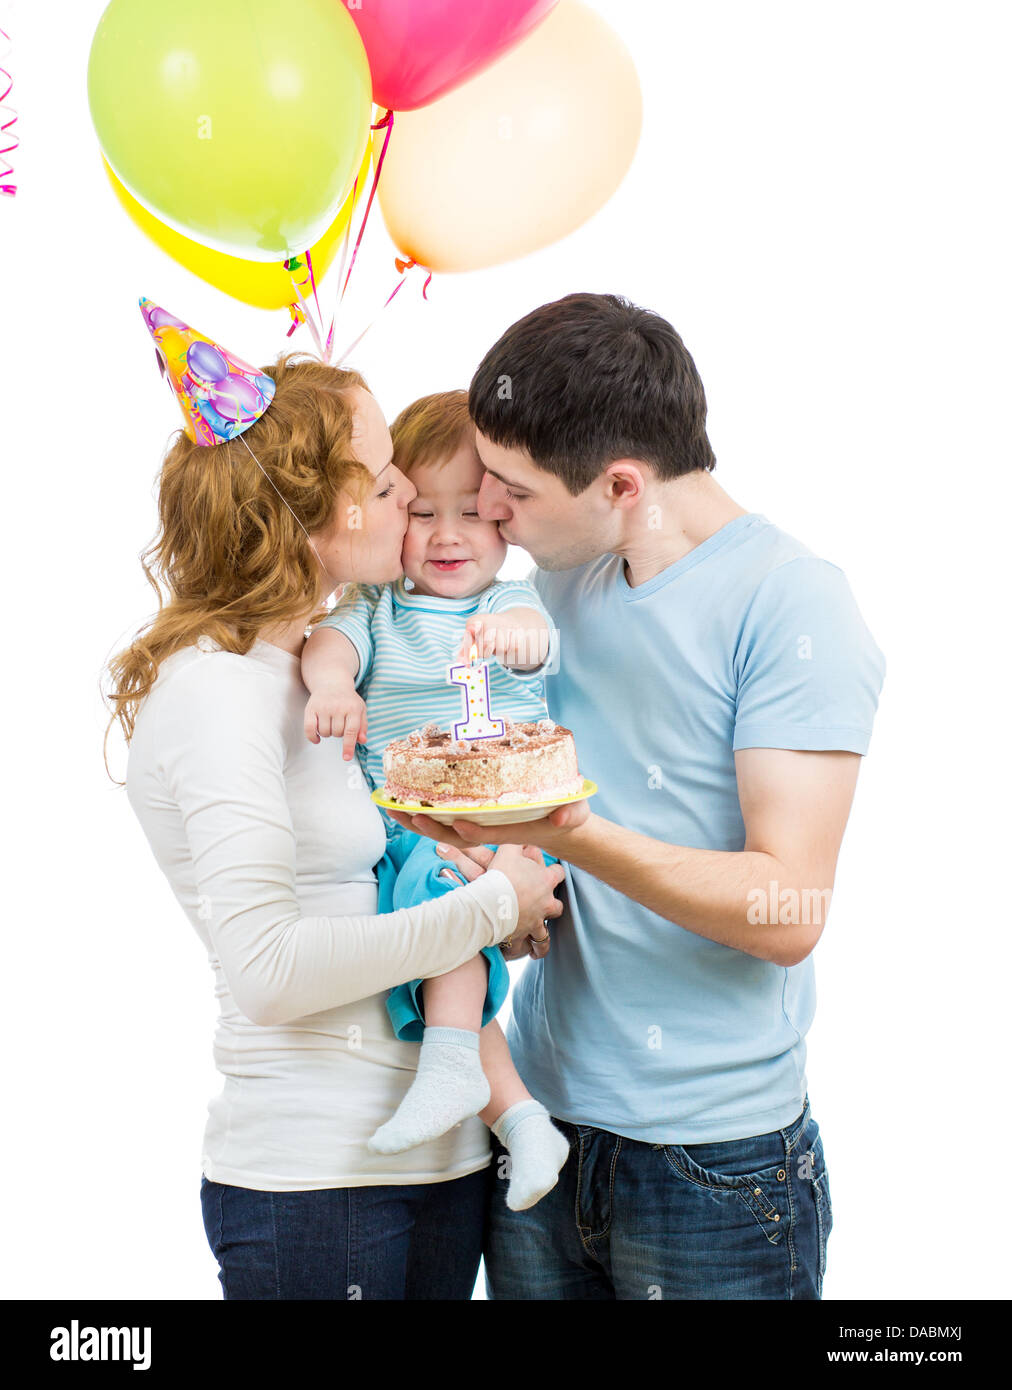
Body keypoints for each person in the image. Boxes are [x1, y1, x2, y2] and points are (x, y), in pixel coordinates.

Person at [385, 291, 887, 1301]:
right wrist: (506, 887)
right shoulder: (557, 583)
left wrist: (565, 829)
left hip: (713, 1167)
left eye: (513, 492)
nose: (488, 510)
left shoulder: (791, 604)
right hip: (541, 1130)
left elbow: (786, 909)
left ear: (621, 484)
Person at [104, 301, 565, 1301]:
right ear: (316, 505)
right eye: (386, 476)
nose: (413, 496)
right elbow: (270, 970)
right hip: (319, 1182)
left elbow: (382, 888)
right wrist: (489, 908)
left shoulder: (316, 677)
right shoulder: (217, 690)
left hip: (440, 1164)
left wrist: (501, 905)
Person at [300, 389, 571, 1210]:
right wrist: (334, 686)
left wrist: (521, 641)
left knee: (448, 916)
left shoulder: (507, 602)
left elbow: (539, 640)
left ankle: (450, 1065)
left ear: (504, 520)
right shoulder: (375, 606)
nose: (447, 536)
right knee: (439, 932)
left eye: (472, 514)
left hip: (512, 822)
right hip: (411, 828)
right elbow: (325, 645)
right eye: (420, 511)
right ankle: (521, 1119)